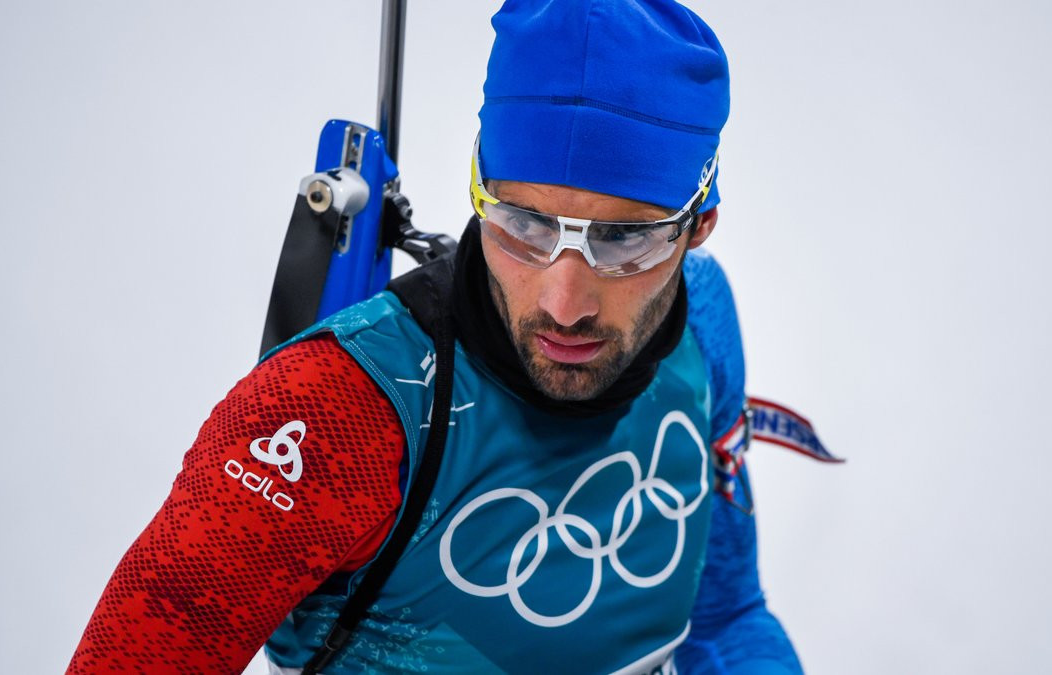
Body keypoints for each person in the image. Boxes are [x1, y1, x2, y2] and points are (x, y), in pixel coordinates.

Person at [68, 1, 807, 672]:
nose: (565, 300)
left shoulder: (701, 316)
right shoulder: (336, 411)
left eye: (623, 240)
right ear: (478, 191)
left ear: (698, 226)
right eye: (524, 225)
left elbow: (725, 618)